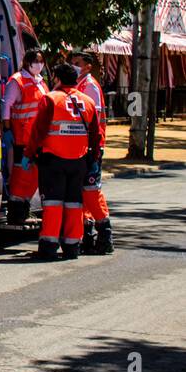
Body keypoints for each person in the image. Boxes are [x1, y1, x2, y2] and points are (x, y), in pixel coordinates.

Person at [25, 63, 102, 261]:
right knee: (74, 204)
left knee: (52, 203)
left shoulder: (50, 99)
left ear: (57, 79)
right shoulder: (87, 102)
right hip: (79, 161)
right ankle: (72, 246)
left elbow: (38, 131)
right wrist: (92, 159)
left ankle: (49, 246)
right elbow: (96, 134)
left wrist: (29, 154)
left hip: (53, 161)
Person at [70, 51, 114, 254]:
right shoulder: (78, 86)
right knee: (82, 192)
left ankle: (104, 234)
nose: (74, 66)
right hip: (81, 147)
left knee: (91, 191)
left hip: (92, 147)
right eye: (72, 63)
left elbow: (92, 120)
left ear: (87, 66)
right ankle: (87, 234)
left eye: (77, 63)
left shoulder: (90, 87)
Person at [2, 49, 47, 226]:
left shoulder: (40, 82)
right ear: (27, 62)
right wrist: (7, 129)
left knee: (34, 173)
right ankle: (16, 209)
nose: (39, 64)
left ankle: (25, 205)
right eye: (36, 61)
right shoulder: (17, 80)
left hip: (38, 138)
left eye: (41, 61)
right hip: (22, 137)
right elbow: (7, 106)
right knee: (21, 174)